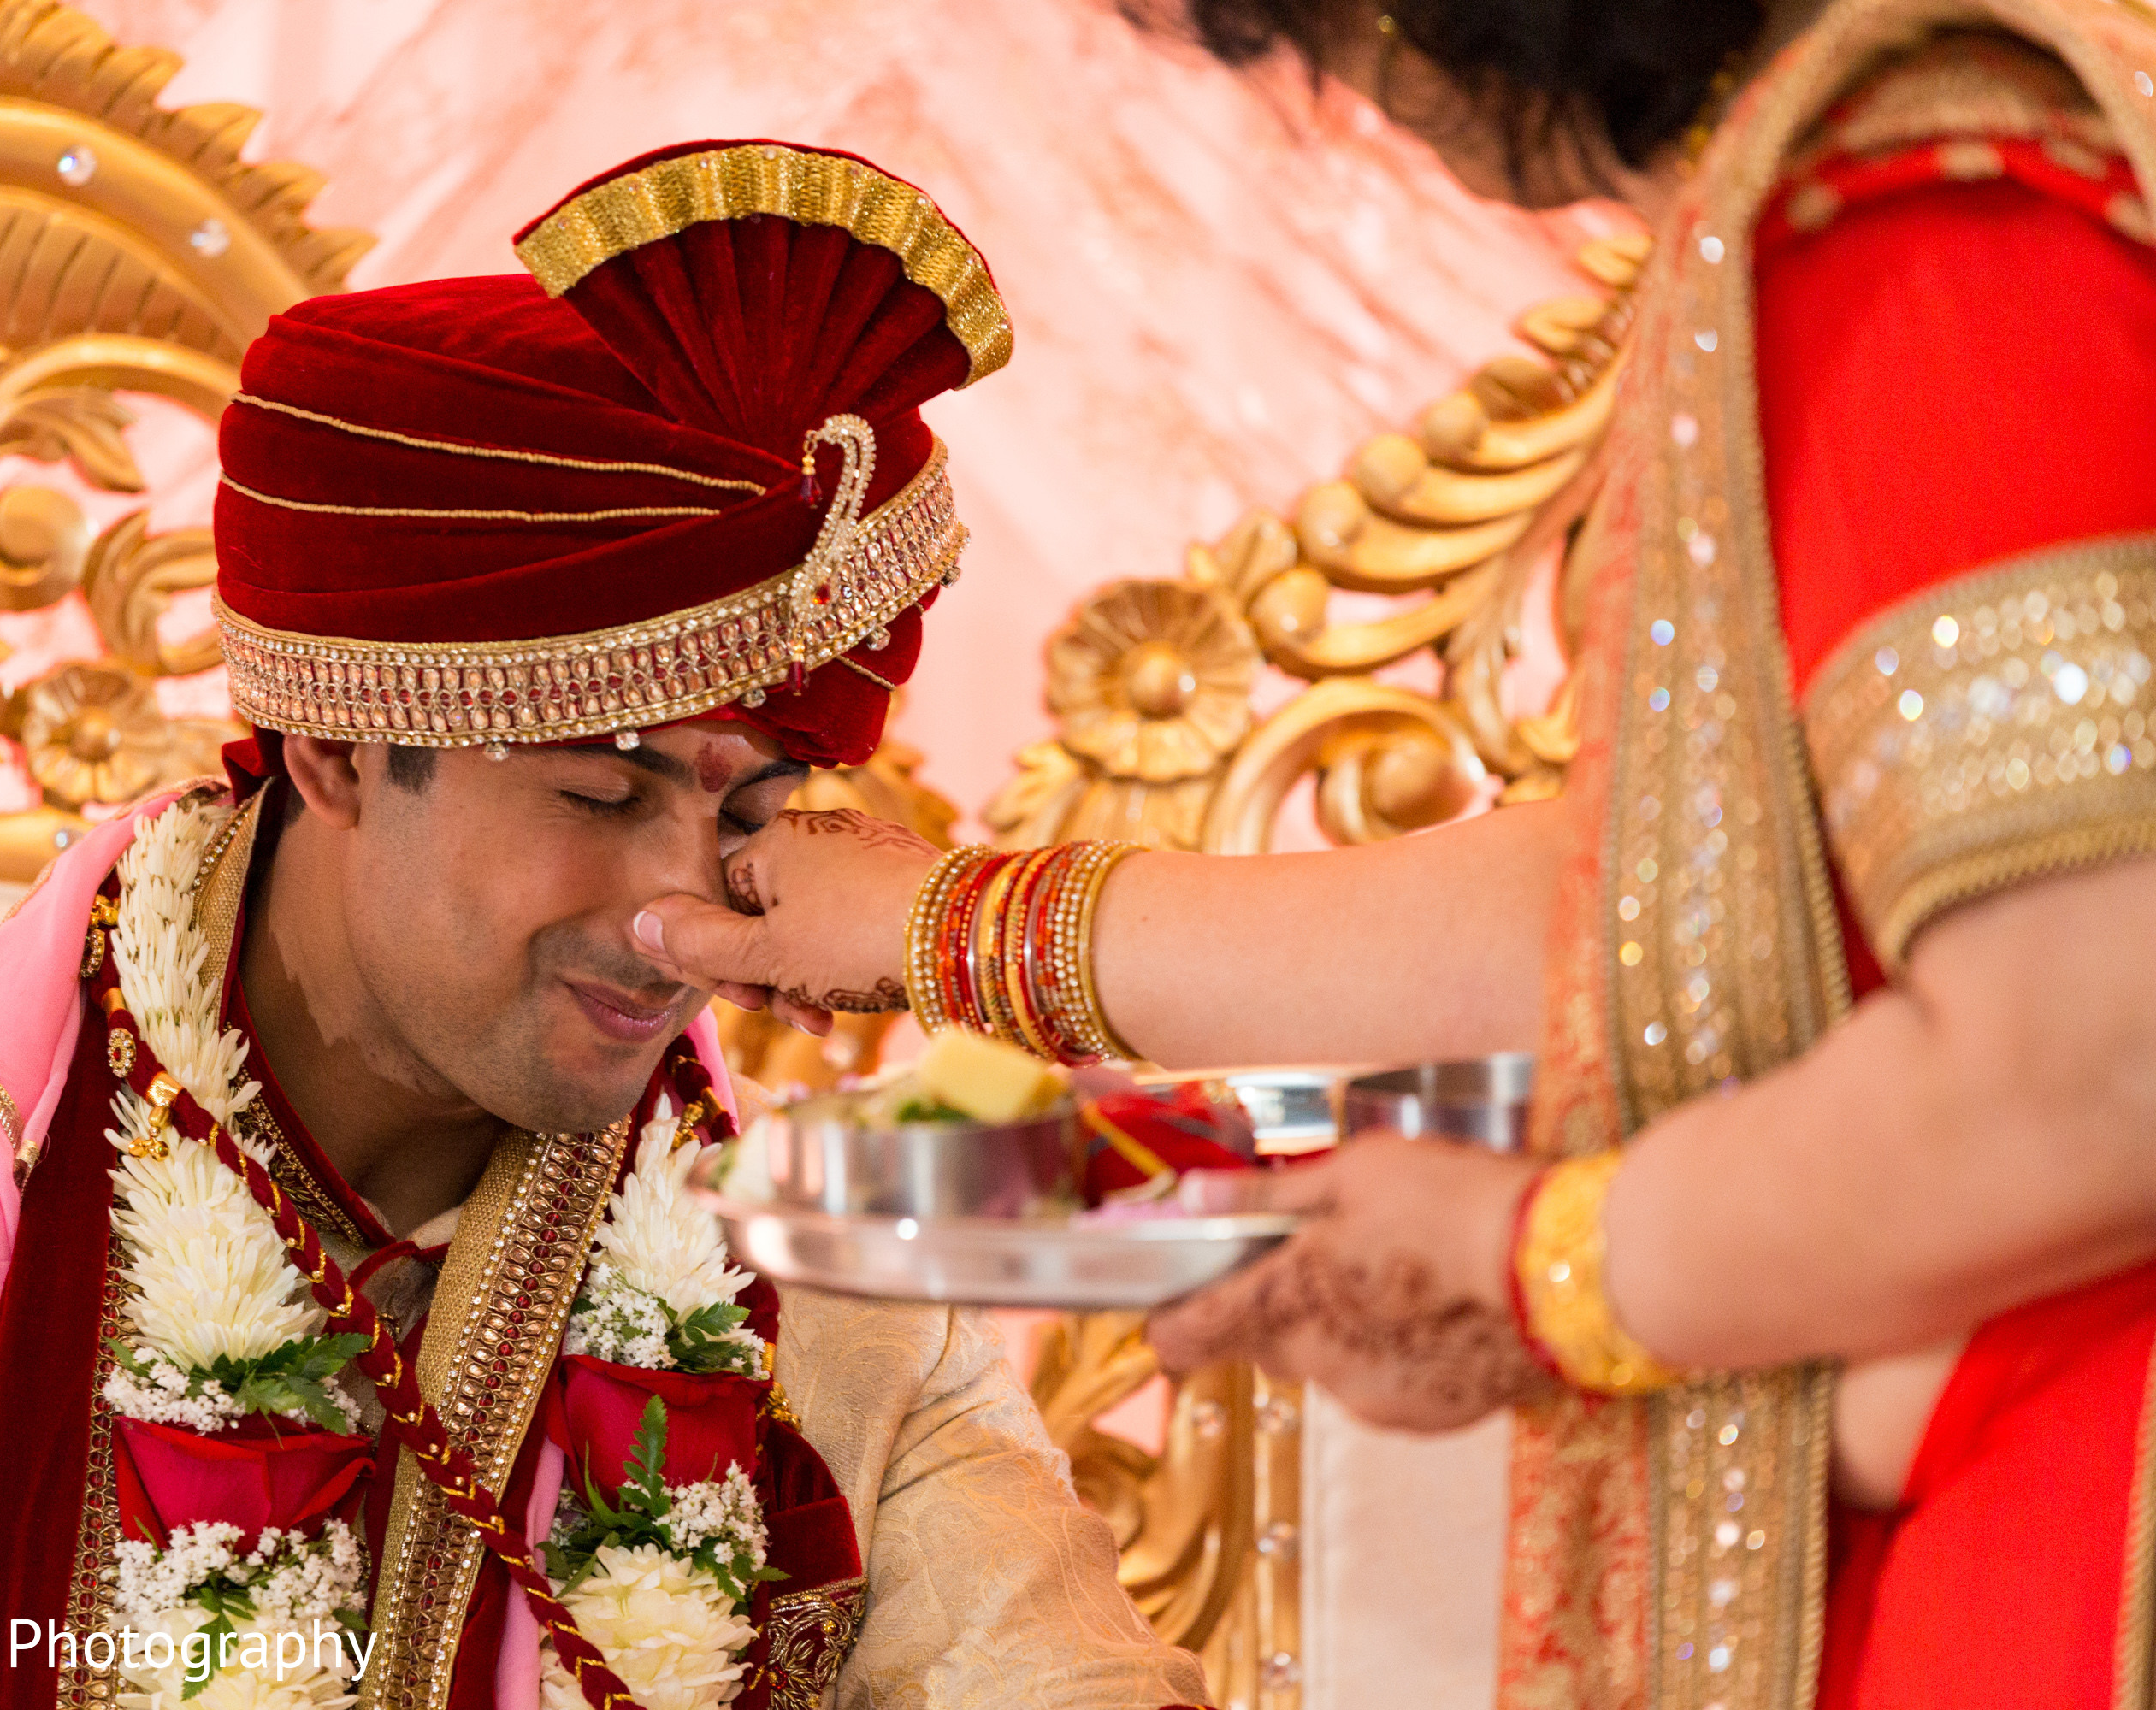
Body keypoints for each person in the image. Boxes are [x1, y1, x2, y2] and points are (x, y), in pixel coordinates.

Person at [630, 4, 2156, 1703]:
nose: (1334, 86)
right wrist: (952, 924)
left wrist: (1542, 1269)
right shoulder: (1926, 164)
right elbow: (1684, 887)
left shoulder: (1927, 208)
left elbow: (2092, 1050)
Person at [0, 141, 1209, 1710]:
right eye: (600, 793)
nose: (680, 915)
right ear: (337, 753)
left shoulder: (842, 1293)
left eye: (752, 813)